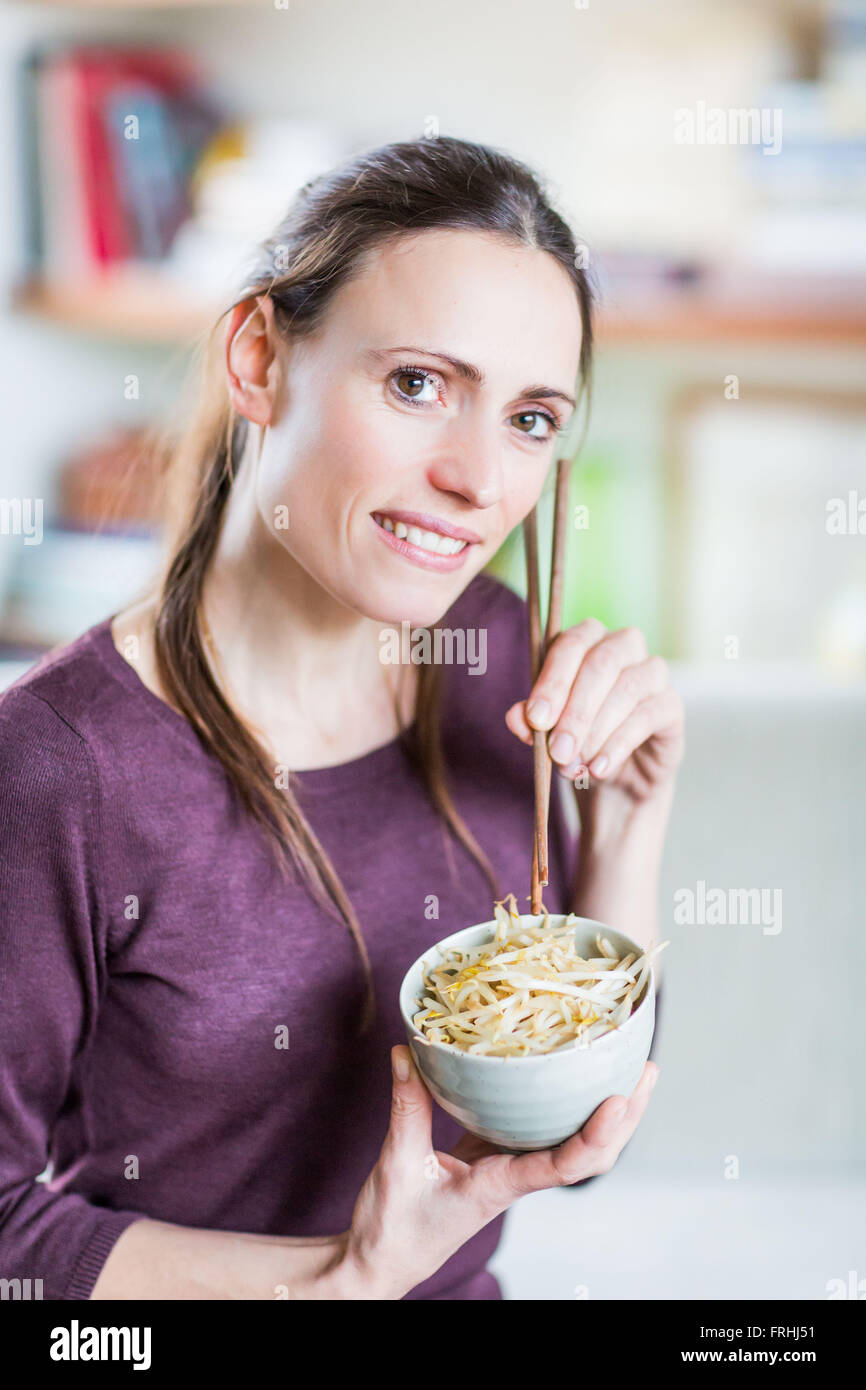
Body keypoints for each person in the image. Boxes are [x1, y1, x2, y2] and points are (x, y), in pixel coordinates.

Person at [0, 136, 684, 1300]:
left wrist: (627, 821)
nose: (478, 479)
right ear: (258, 354)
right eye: (418, 383)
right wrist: (335, 1283)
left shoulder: (497, 659)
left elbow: (560, 1148)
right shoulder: (59, 770)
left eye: (529, 418)